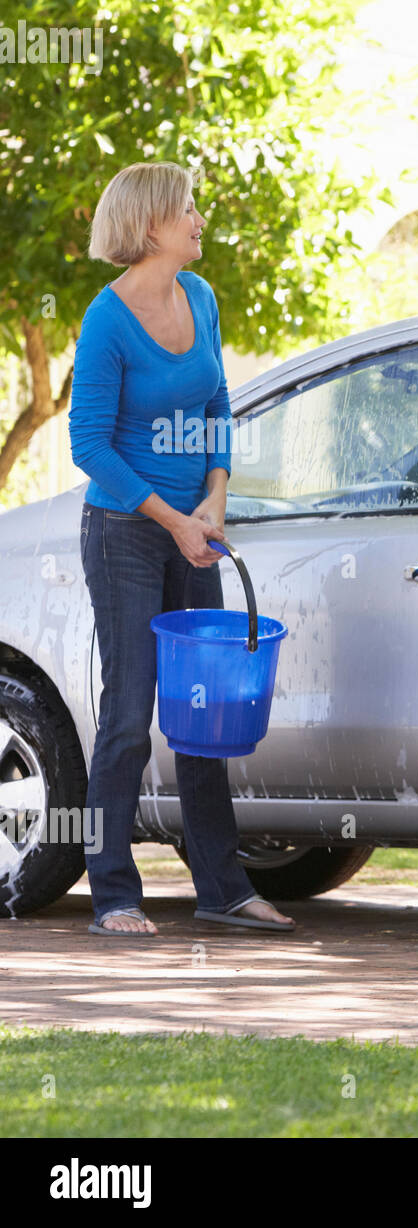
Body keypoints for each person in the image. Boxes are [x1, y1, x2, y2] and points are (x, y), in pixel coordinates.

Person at [69, 161, 293, 936]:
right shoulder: (107, 320)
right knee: (129, 715)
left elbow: (219, 403)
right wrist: (174, 519)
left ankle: (223, 887)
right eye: (189, 209)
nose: (201, 219)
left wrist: (216, 497)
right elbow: (89, 446)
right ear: (152, 226)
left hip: (194, 527)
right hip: (127, 533)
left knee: (205, 712)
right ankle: (113, 894)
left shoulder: (201, 297)